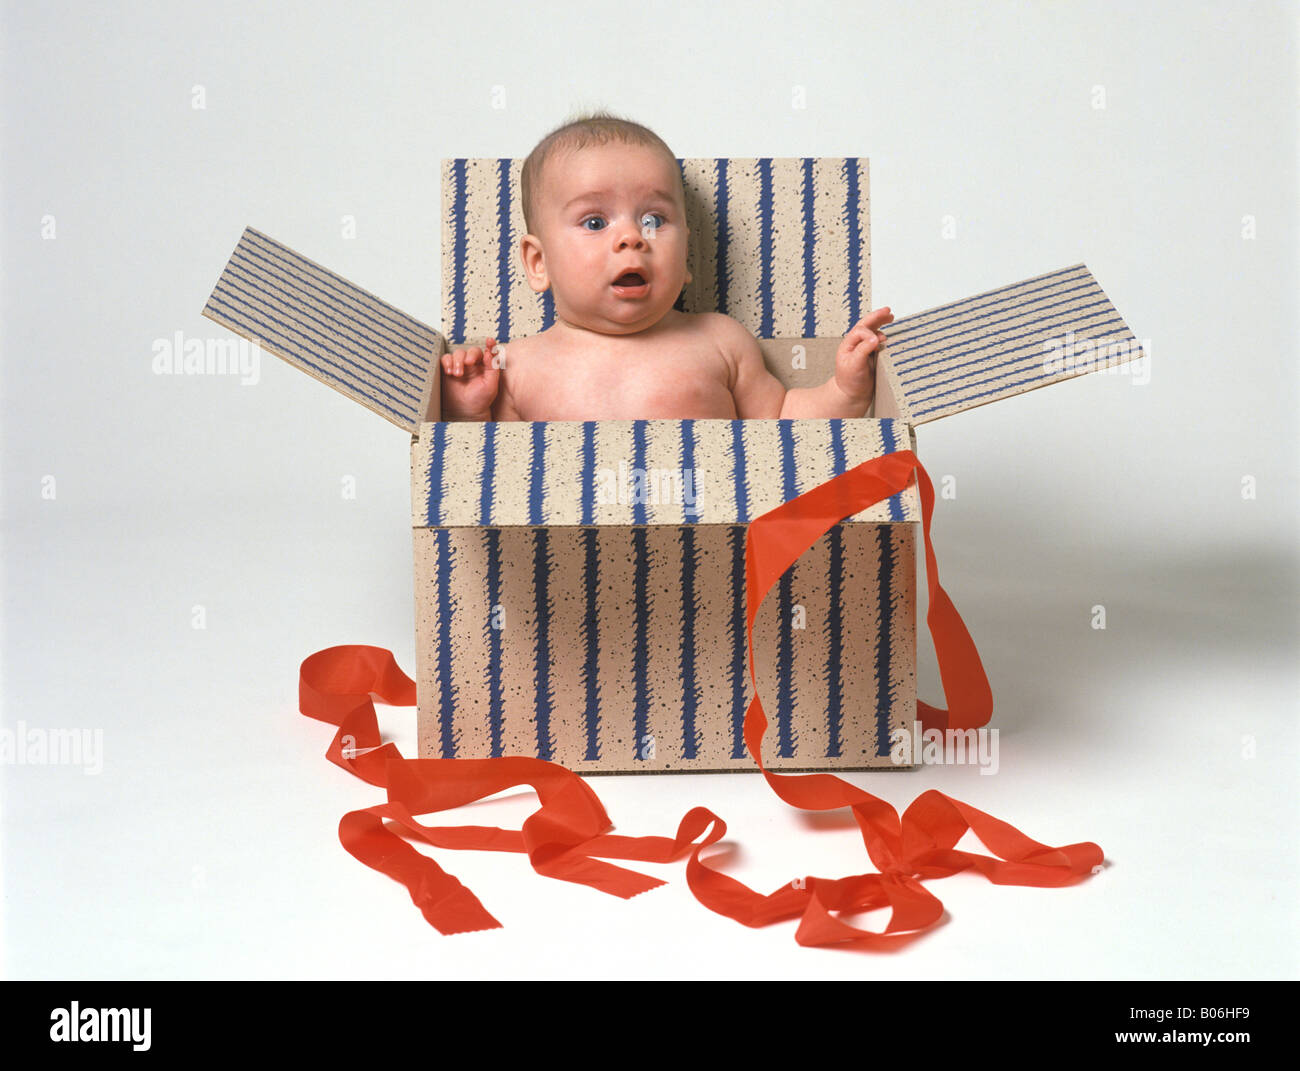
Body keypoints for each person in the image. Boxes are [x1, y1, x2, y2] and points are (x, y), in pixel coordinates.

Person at [439, 113, 892, 422]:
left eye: (654, 219)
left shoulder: (720, 341)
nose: (632, 237)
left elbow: (784, 422)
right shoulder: (515, 366)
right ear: (539, 263)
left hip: (714, 547)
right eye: (595, 222)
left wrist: (846, 390)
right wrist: (468, 410)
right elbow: (489, 477)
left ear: (687, 258)